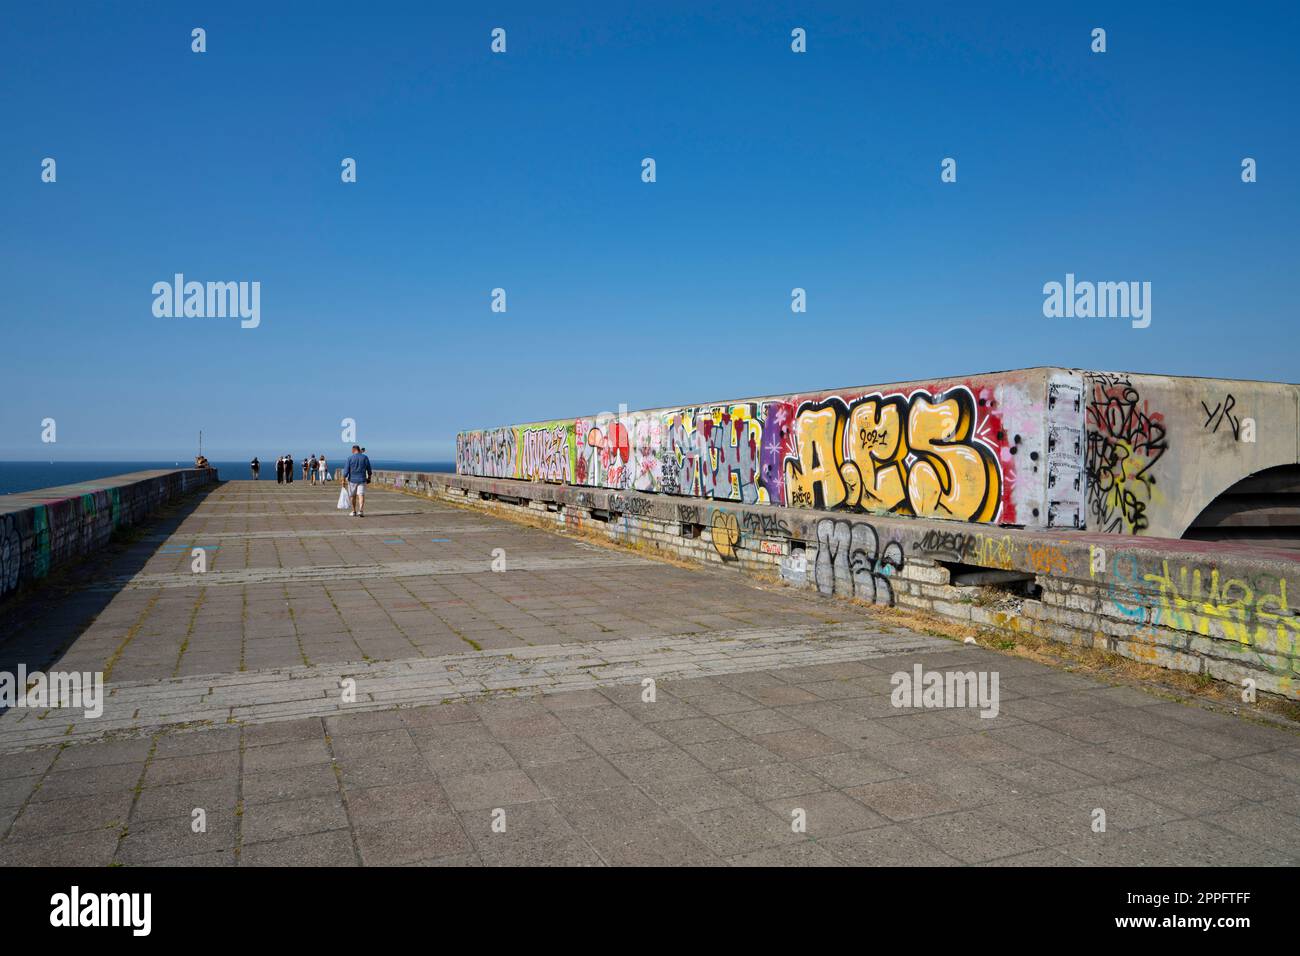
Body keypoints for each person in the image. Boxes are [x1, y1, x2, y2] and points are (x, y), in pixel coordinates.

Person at [343, 444, 372, 517]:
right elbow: (369, 469)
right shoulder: (365, 457)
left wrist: (343, 480)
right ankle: (361, 511)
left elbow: (346, 471)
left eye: (352, 450)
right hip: (362, 479)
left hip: (352, 480)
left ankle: (354, 511)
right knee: (361, 495)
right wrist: (369, 478)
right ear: (359, 450)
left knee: (353, 496)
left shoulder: (350, 458)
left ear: (353, 450)